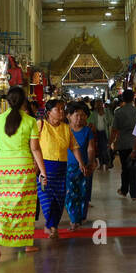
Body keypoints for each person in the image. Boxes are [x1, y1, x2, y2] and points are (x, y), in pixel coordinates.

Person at [0, 86, 47, 258]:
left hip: (3, 168)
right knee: (24, 207)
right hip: (23, 167)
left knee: (2, 207)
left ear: (7, 101)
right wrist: (43, 171)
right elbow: (35, 149)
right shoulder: (30, 121)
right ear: (23, 102)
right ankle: (26, 244)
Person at [38, 99, 84, 238]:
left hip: (61, 169)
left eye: (62, 109)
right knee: (47, 199)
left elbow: (74, 147)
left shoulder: (66, 128)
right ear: (49, 112)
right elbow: (33, 147)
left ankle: (53, 226)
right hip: (44, 168)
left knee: (59, 200)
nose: (62, 112)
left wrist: (81, 163)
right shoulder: (40, 125)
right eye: (58, 109)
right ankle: (51, 225)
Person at [64, 102, 97, 230]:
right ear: (69, 116)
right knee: (70, 194)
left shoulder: (87, 130)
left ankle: (81, 217)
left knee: (83, 193)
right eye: (76, 115)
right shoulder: (64, 130)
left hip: (85, 167)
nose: (80, 118)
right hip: (67, 166)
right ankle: (74, 219)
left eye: (83, 116)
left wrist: (90, 163)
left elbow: (90, 148)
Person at [110, 89, 136, 200]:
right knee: (135, 169)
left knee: (125, 168)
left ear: (122, 98)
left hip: (123, 144)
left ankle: (124, 190)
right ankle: (134, 194)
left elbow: (114, 130)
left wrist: (110, 143)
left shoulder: (119, 112)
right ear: (133, 98)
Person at [88, 98, 113, 171]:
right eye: (97, 103)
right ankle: (102, 164)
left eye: (100, 103)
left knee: (105, 149)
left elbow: (112, 121)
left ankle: (107, 163)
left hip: (106, 133)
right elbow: (90, 122)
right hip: (97, 133)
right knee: (99, 149)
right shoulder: (94, 113)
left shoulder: (107, 112)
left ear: (102, 103)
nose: (98, 105)